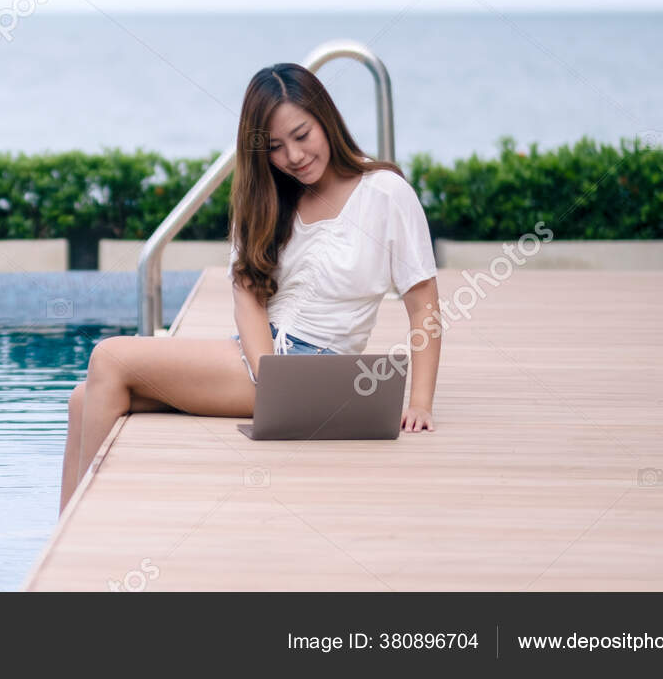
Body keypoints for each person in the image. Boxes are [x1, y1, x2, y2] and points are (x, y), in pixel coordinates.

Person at [58, 62, 441, 515]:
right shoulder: (267, 196)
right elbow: (248, 298)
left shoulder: (385, 193)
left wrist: (419, 402)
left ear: (327, 120)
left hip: (321, 369)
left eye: (302, 135)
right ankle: (68, 535)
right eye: (276, 147)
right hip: (265, 361)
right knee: (85, 397)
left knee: (108, 357)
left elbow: (425, 309)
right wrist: (269, 376)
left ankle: (79, 532)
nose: (294, 157)